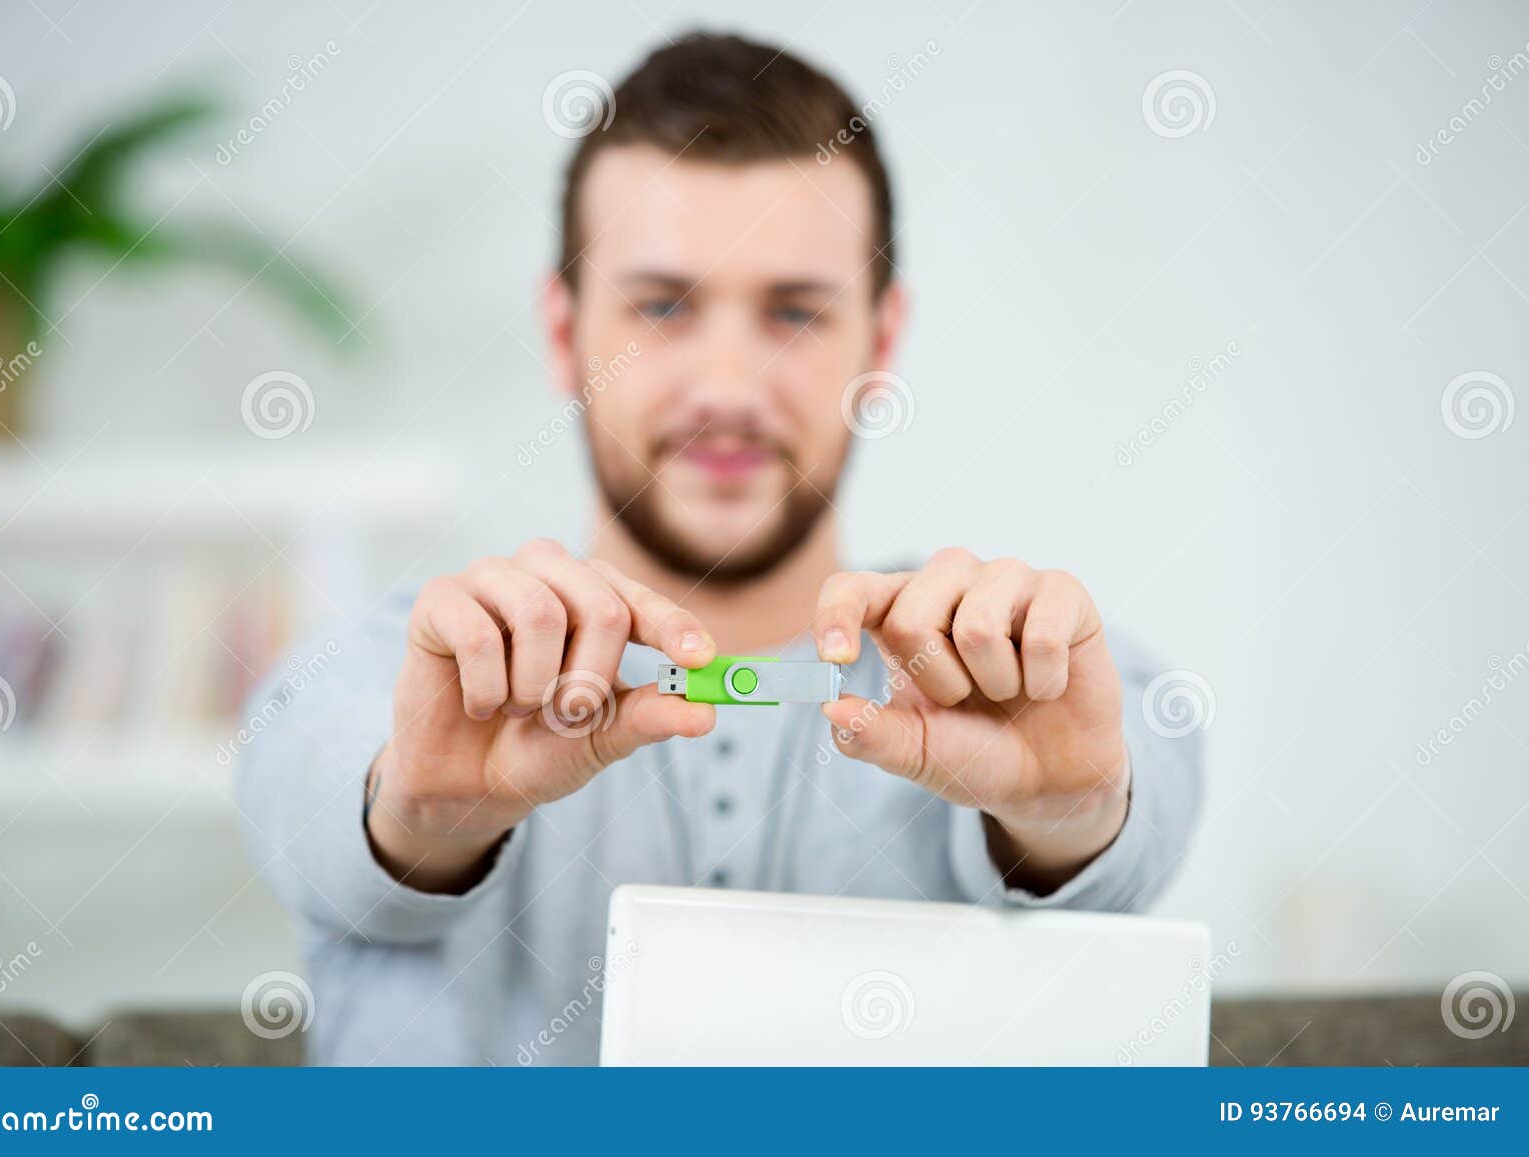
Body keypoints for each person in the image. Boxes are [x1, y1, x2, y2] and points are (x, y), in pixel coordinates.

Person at [237, 31, 1202, 1066]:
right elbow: (318, 794)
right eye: (661, 306)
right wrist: (420, 816)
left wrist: (1064, 819)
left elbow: (1135, 785)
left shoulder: (1038, 679)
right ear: (563, 333)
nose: (730, 387)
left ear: (880, 342)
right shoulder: (373, 678)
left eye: (794, 311)